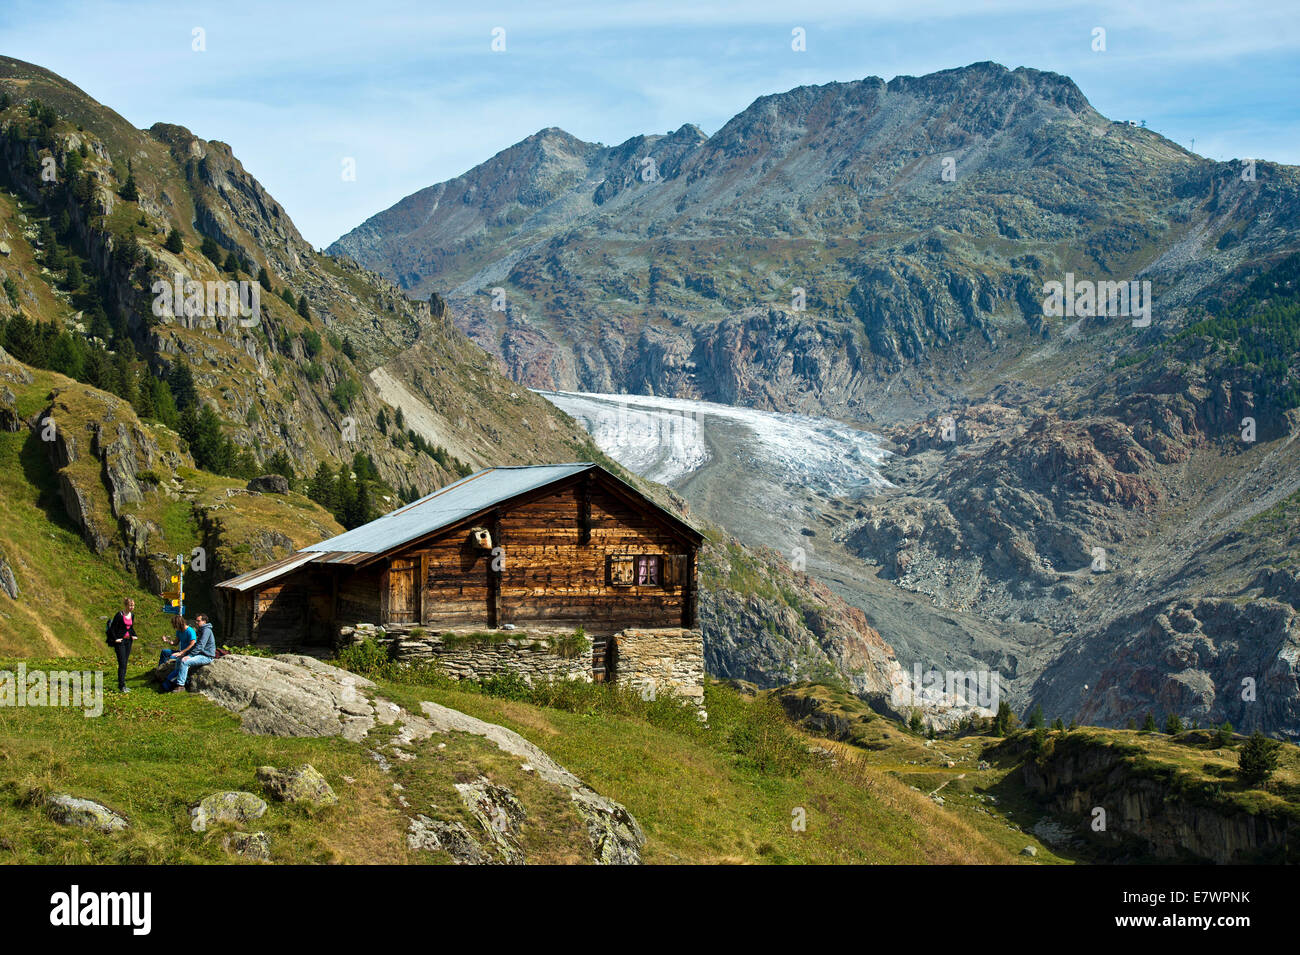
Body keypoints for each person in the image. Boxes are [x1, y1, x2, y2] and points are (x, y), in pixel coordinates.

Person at [169, 613, 216, 691]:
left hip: (207, 656)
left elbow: (200, 645)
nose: (196, 622)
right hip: (200, 654)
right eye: (196, 621)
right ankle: (174, 680)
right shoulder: (201, 630)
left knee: (185, 661)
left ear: (204, 621)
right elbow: (195, 645)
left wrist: (190, 655)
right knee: (179, 660)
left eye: (198, 621)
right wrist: (184, 653)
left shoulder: (206, 630)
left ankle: (180, 686)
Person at [106, 598, 138, 693]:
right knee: (122, 663)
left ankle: (123, 685)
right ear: (126, 606)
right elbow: (112, 629)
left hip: (128, 641)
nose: (132, 607)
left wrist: (134, 635)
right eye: (130, 606)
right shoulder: (119, 615)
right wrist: (116, 639)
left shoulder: (132, 615)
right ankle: (121, 685)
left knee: (125, 662)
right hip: (120, 642)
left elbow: (130, 627)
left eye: (133, 606)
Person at [159, 614, 196, 691]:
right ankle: (161, 671)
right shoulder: (179, 631)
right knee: (165, 652)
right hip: (181, 651)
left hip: (188, 652)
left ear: (179, 624)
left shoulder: (190, 631)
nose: (175, 628)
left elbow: (192, 644)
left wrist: (182, 652)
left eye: (175, 625)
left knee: (175, 658)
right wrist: (167, 641)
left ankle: (173, 679)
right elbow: (175, 642)